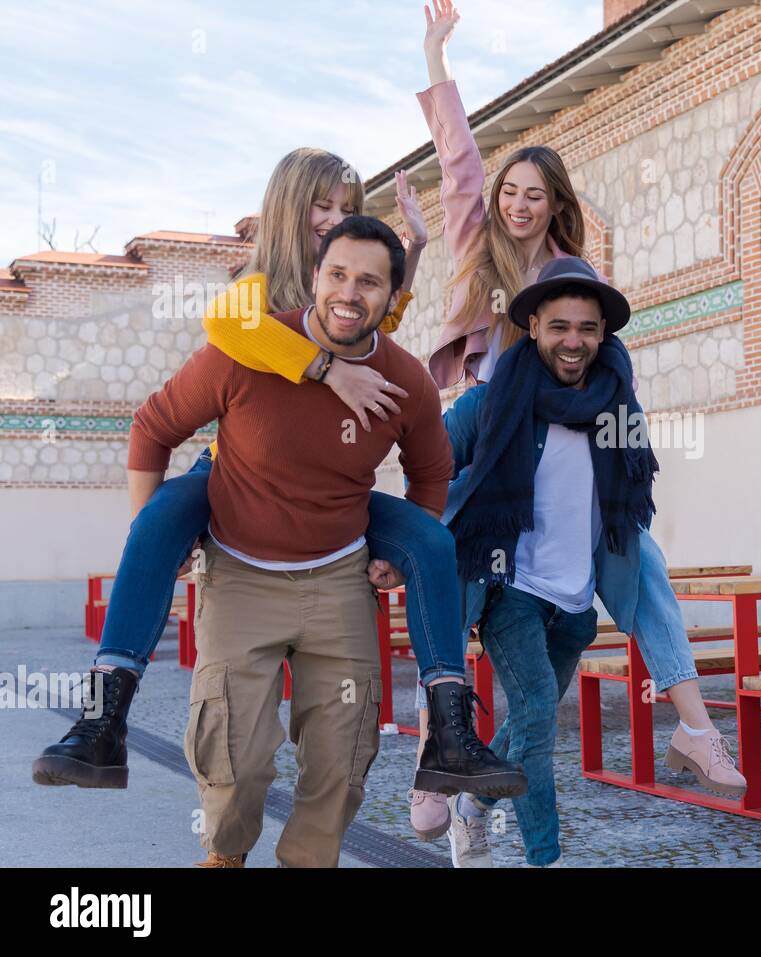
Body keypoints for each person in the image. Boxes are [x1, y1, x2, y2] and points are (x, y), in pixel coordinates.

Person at [32, 150, 521, 838]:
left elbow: (377, 315)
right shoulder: (255, 287)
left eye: (345, 206)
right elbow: (229, 337)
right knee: (158, 521)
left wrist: (410, 247)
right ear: (290, 209)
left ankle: (448, 728)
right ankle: (105, 718)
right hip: (230, 468)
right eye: (321, 206)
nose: (333, 219)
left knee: (428, 538)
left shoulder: (351, 284)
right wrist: (326, 369)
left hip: (331, 495)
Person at [402, 0, 746, 850]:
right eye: (510, 191)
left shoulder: (569, 276)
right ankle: (436, 758)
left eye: (534, 195)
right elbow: (457, 164)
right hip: (490, 443)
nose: (517, 204)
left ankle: (692, 721)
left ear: (555, 205)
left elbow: (605, 360)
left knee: (640, 555)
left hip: (563, 446)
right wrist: (437, 58)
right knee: (442, 572)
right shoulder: (479, 243)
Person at [441, 257, 665, 867]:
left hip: (576, 604)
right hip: (513, 590)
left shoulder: (615, 408)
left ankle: (474, 804)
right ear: (534, 325)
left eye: (588, 328)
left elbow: (632, 494)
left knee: (528, 726)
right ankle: (547, 858)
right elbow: (426, 461)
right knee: (539, 719)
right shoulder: (491, 403)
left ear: (602, 334)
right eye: (560, 325)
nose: (574, 341)